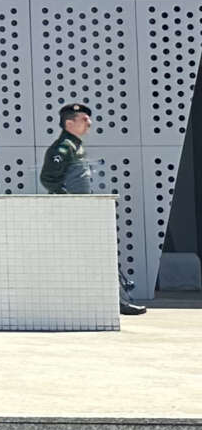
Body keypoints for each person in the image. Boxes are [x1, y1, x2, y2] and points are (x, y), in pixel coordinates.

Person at [42, 103, 143, 315]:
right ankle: (117, 302)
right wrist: (70, 202)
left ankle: (117, 301)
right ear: (69, 123)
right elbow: (49, 179)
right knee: (92, 258)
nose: (90, 122)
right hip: (73, 214)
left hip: (82, 212)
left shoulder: (75, 145)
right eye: (84, 119)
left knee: (98, 257)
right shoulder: (63, 148)